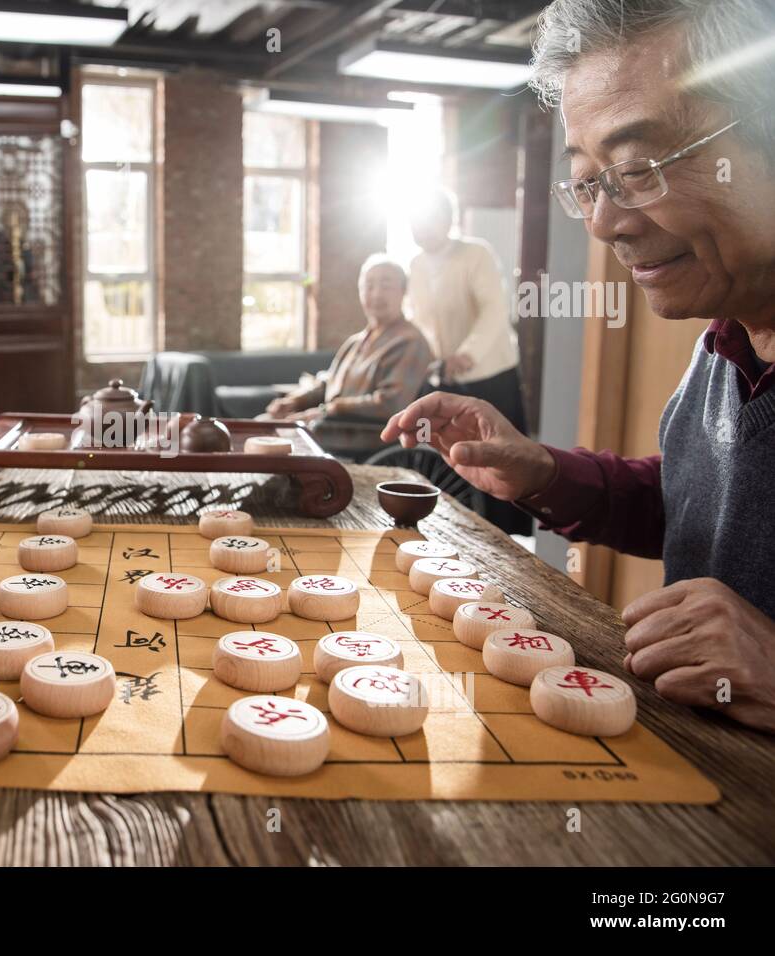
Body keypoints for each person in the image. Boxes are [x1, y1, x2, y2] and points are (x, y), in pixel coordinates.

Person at [382, 0, 775, 733]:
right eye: (588, 182)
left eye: (637, 167)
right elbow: (695, 510)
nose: (604, 223)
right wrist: (540, 472)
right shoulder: (721, 346)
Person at [406, 188, 532, 534]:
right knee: (449, 459)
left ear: (448, 221)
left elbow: (495, 309)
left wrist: (468, 353)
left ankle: (500, 535)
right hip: (443, 374)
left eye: (428, 220)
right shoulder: (415, 265)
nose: (420, 228)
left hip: (488, 372)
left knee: (493, 459)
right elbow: (418, 320)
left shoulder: (475, 254)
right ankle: (453, 530)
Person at [264, 256, 432, 453]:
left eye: (386, 286)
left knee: (273, 437)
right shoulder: (356, 342)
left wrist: (326, 411)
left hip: (365, 437)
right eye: (368, 286)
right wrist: (294, 401)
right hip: (329, 427)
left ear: (403, 291)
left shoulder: (410, 341)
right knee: (264, 423)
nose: (376, 294)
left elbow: (389, 403)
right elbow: (329, 383)